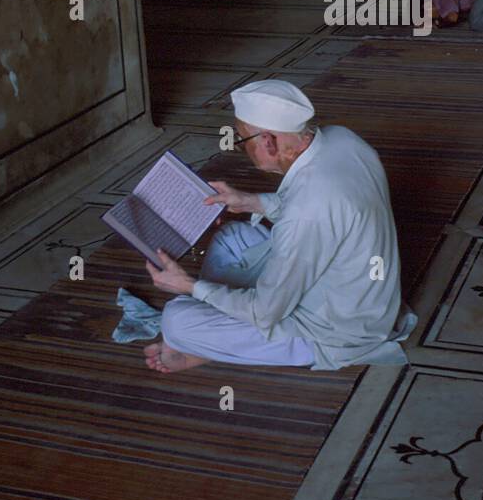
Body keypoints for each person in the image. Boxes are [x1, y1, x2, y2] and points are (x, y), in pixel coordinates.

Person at [142, 79, 417, 373]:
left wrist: (190, 286)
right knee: (232, 236)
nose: (242, 149)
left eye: (243, 141)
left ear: (268, 142)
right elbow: (321, 205)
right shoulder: (342, 138)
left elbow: (267, 311)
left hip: (337, 330)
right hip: (362, 292)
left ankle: (208, 342)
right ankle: (221, 328)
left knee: (176, 320)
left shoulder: (307, 211)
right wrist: (250, 201)